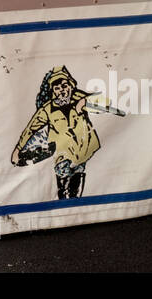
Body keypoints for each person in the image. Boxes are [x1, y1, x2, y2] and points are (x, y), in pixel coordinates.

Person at [10, 65, 101, 199]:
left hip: (82, 150)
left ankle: (75, 205)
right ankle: (64, 205)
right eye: (57, 88)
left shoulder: (80, 97)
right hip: (63, 152)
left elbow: (101, 103)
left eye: (64, 86)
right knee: (64, 180)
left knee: (77, 177)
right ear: (53, 91)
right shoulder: (48, 109)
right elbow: (30, 129)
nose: (61, 91)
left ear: (70, 86)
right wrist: (18, 149)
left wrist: (82, 104)